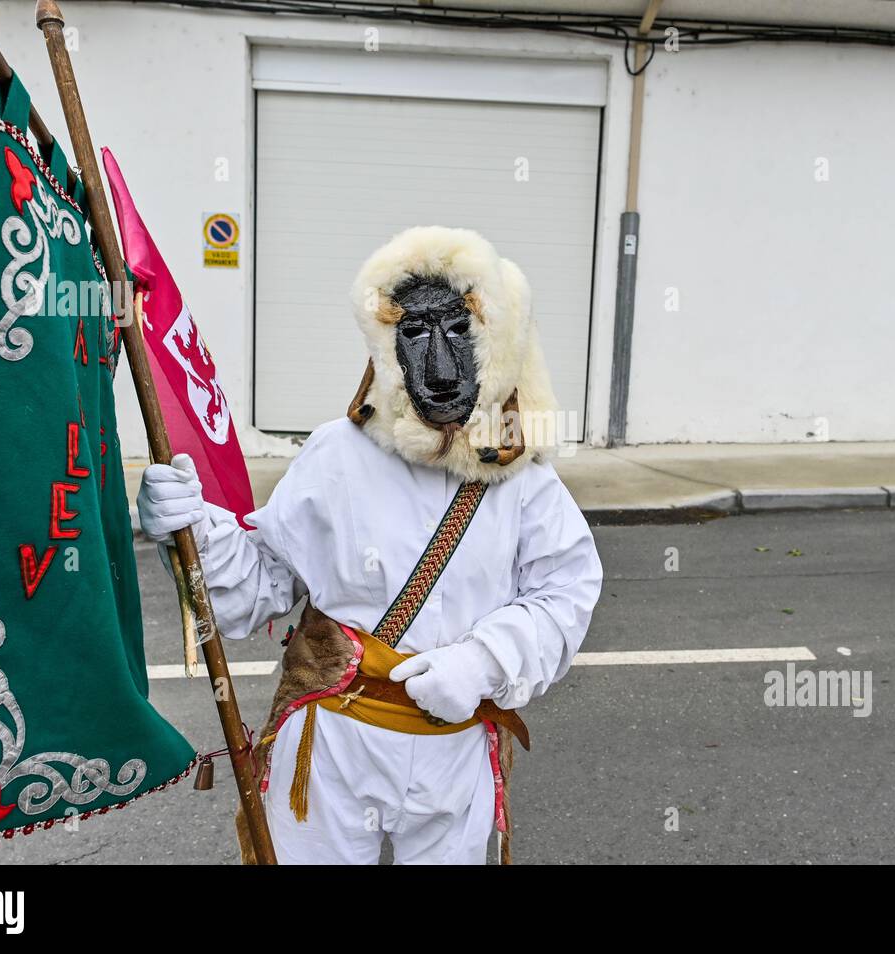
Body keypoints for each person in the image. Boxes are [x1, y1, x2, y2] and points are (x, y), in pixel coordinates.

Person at [137, 226, 601, 864]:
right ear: (386, 344)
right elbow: (261, 582)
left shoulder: (523, 475)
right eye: (414, 333)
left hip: (454, 750)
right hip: (329, 747)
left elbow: (566, 589)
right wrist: (195, 530)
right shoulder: (338, 452)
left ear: (493, 339)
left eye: (459, 332)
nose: (438, 364)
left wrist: (484, 663)